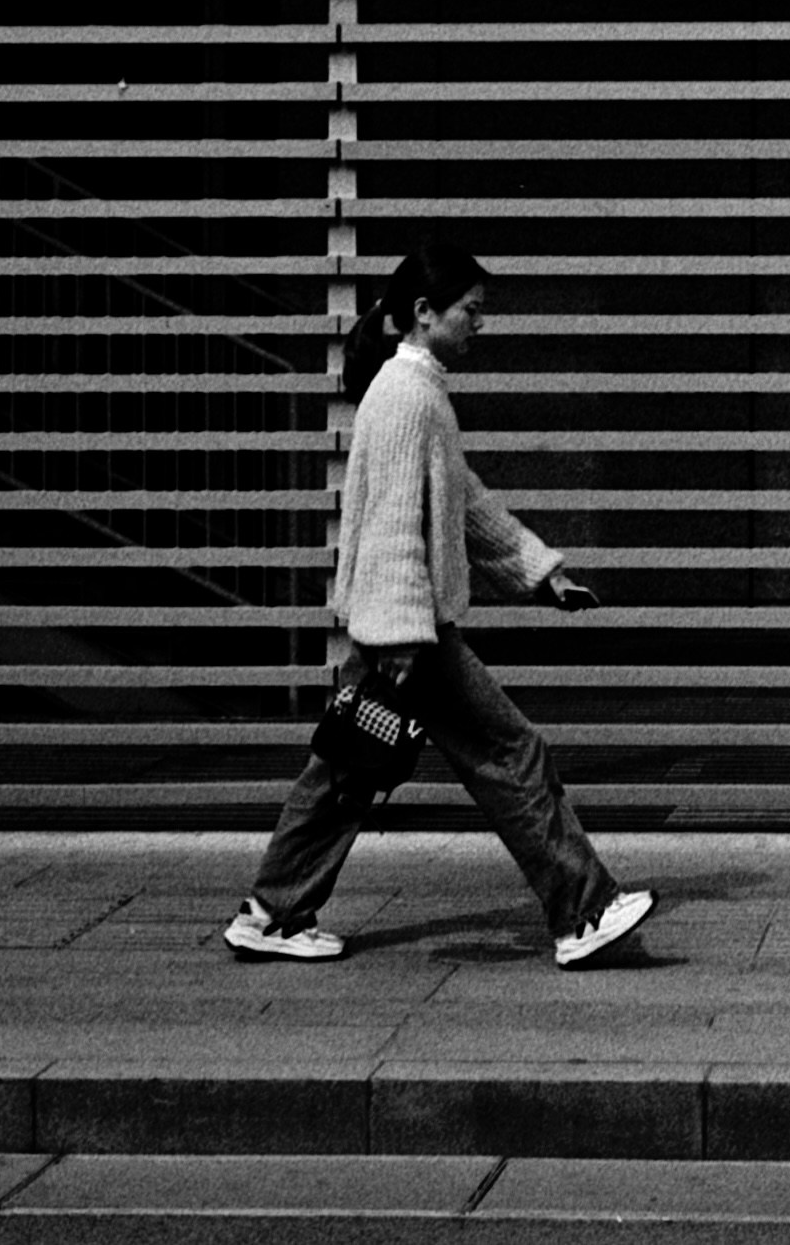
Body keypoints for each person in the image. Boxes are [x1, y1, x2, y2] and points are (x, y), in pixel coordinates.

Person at [225, 249, 651, 966]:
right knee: (511, 752)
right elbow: (392, 522)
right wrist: (400, 634)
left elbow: (465, 500)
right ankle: (584, 912)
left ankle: (272, 911)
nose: (479, 326)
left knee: (346, 772)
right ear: (425, 313)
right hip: (411, 635)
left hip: (399, 630)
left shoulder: (417, 391)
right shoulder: (405, 396)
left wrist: (538, 572)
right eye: (470, 312)